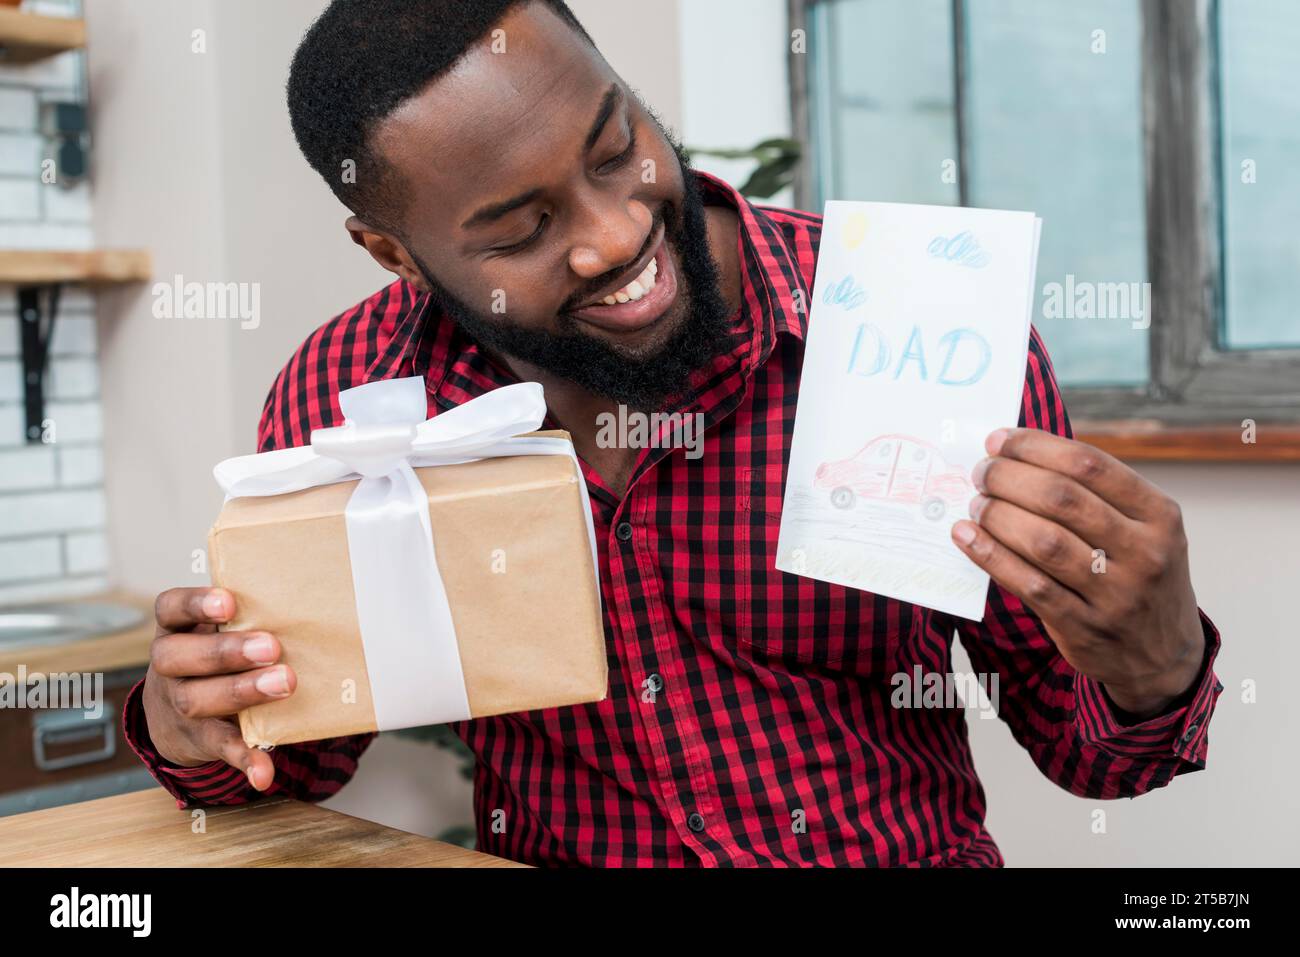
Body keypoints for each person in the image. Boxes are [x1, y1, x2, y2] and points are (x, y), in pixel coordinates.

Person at [123, 0, 1223, 866]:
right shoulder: (349, 397)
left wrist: (1156, 657)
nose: (613, 237)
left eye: (615, 150)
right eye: (520, 229)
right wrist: (196, 724)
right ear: (394, 253)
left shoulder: (911, 336)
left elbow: (1094, 756)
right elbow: (294, 762)